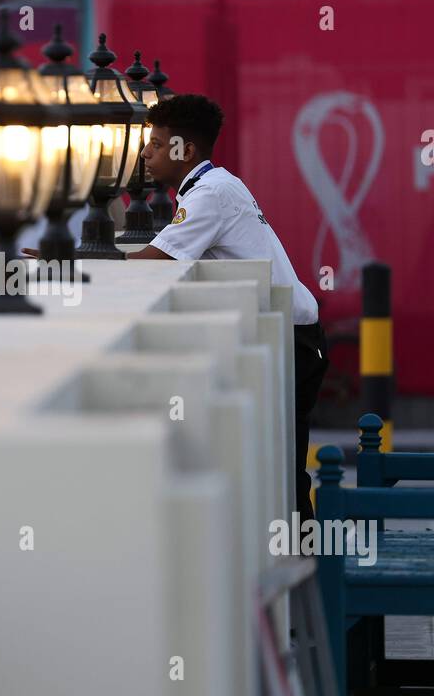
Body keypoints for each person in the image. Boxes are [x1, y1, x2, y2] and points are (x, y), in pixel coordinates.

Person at [125, 93, 328, 522]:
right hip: (296, 337)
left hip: (291, 342)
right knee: (281, 470)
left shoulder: (209, 196)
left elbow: (155, 265)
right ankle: (310, 569)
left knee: (282, 473)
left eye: (157, 144)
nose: (146, 153)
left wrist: (75, 260)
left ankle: (312, 571)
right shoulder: (217, 185)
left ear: (186, 151)